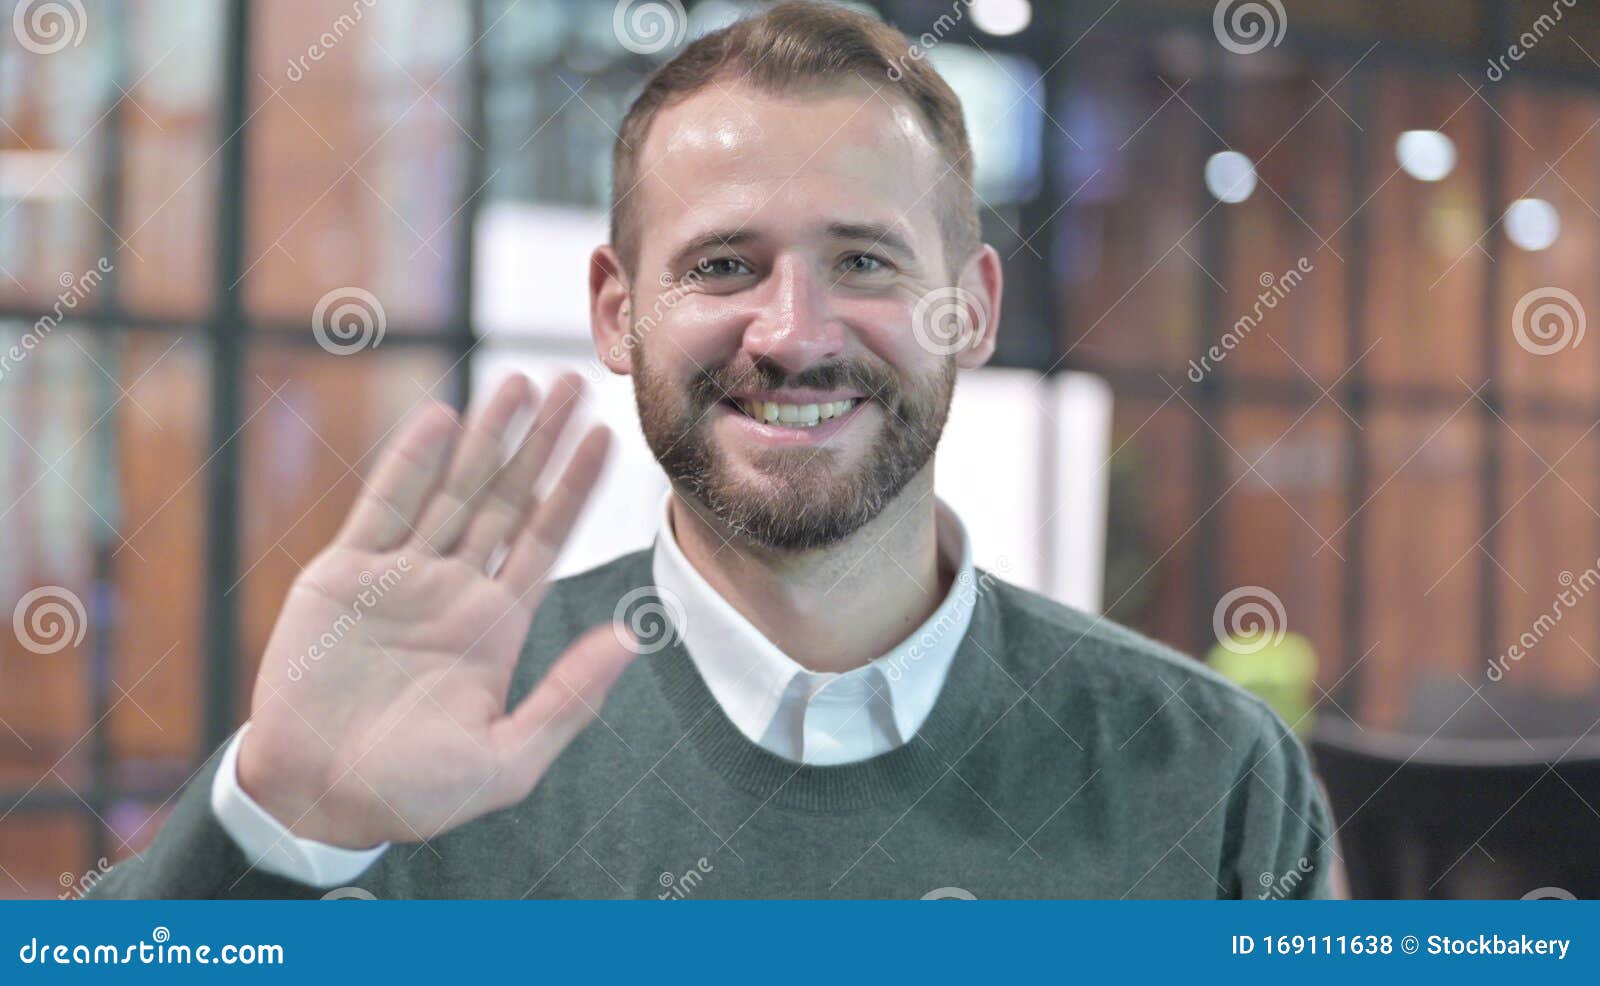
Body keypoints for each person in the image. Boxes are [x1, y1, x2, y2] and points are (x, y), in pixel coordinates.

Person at [89, 0, 1334, 900]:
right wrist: (280, 820)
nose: (793, 337)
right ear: (617, 312)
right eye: (724, 266)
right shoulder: (425, 734)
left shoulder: (1206, 773)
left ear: (974, 309)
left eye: (864, 262)